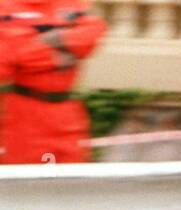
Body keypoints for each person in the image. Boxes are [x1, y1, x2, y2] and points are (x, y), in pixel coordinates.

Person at [0, 0, 106, 165]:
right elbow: (10, 57)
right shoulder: (6, 8)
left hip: (67, 114)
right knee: (24, 184)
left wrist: (56, 37)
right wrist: (58, 55)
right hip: (25, 117)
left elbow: (93, 33)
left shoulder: (74, 3)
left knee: (72, 182)